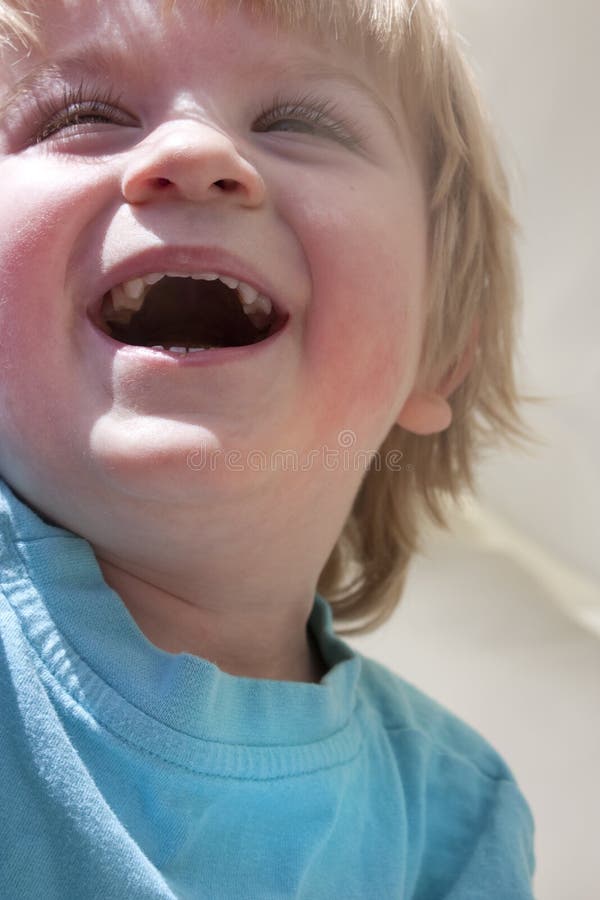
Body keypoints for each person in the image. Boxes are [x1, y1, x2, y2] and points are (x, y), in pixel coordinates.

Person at [0, 0, 536, 896]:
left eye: (297, 120)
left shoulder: (456, 819)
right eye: (82, 116)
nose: (189, 155)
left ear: (442, 348)